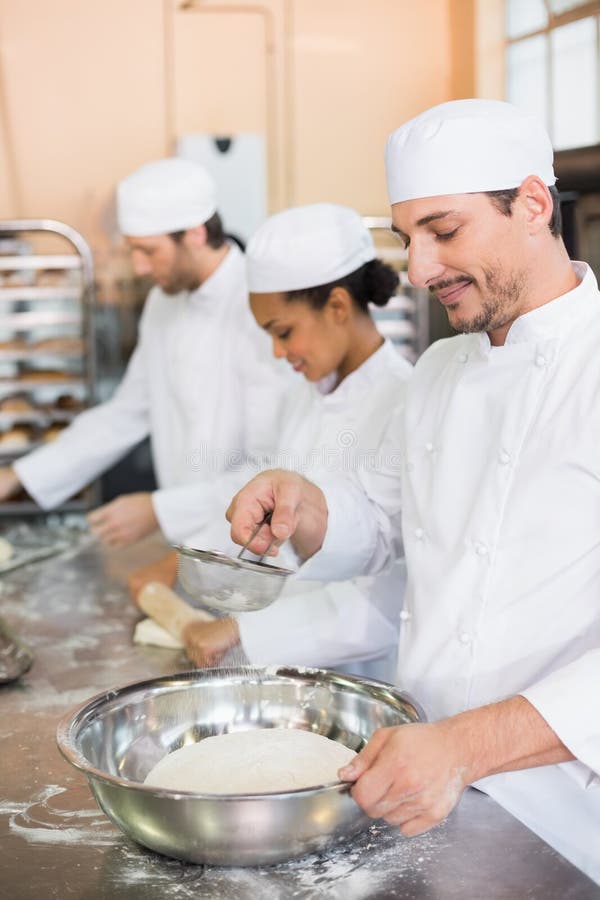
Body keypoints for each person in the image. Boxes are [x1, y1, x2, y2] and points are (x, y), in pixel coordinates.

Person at [226, 100, 600, 884]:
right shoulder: (439, 372)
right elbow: (392, 525)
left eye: (445, 231)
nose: (420, 270)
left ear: (533, 205)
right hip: (421, 785)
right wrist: (306, 503)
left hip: (569, 816)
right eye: (408, 239)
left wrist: (467, 746)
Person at [133, 203, 412, 680]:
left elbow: (389, 599)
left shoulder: (405, 404)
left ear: (339, 306)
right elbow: (267, 506)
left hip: (357, 676)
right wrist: (191, 560)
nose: (278, 353)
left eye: (284, 332)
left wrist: (245, 633)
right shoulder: (307, 394)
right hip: (285, 668)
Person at [0, 158, 291, 546]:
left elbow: (275, 463)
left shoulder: (260, 308)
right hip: (185, 539)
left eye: (149, 251)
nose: (138, 268)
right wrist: (20, 475)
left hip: (251, 544)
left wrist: (161, 511)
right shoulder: (163, 302)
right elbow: (128, 411)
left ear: (196, 235)